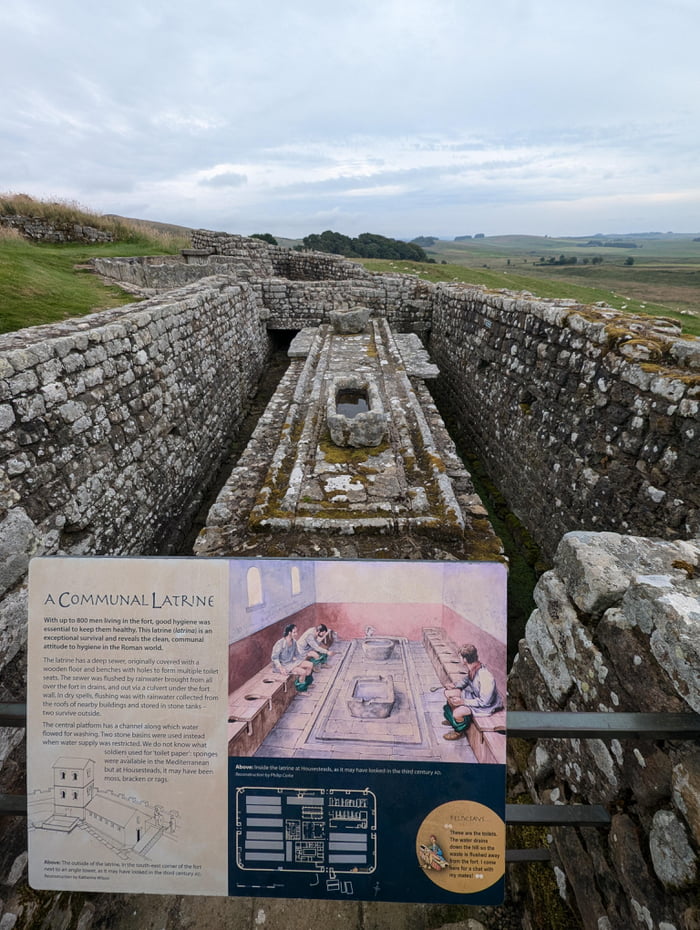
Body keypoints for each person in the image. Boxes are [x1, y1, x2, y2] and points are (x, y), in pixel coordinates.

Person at [442, 643, 503, 741]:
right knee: (448, 693)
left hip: (485, 706)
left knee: (458, 713)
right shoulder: (474, 669)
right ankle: (454, 720)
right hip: (475, 697)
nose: (459, 659)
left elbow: (484, 702)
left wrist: (463, 702)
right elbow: (467, 680)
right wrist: (455, 685)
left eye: (460, 657)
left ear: (465, 659)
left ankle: (458, 731)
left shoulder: (485, 676)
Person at [271, 623, 314, 692]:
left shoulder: (294, 642)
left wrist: (305, 655)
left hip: (291, 662)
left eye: (296, 632)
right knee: (303, 672)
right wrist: (281, 668)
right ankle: (301, 690)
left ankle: (306, 683)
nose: (296, 634)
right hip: (284, 665)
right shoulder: (280, 643)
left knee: (310, 664)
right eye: (294, 632)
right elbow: (274, 658)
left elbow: (297, 654)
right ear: (289, 632)